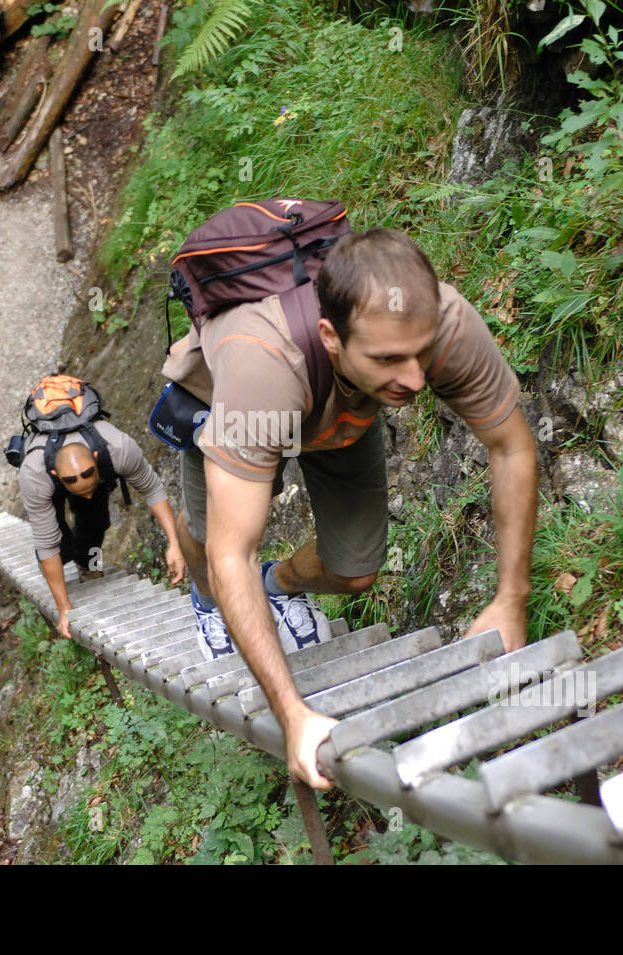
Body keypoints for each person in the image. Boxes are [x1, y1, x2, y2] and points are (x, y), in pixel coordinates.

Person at [160, 227, 538, 790]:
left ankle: (278, 585)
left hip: (342, 409)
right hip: (232, 401)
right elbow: (230, 550)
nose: (415, 379)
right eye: (390, 358)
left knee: (355, 569)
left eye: (422, 353)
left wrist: (512, 598)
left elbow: (511, 446)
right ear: (331, 336)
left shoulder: (444, 324)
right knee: (210, 544)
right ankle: (206, 602)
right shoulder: (261, 364)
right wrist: (294, 716)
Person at [19, 419, 186, 640]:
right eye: (82, 492)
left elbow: (153, 489)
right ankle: (66, 558)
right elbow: (46, 544)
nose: (87, 495)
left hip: (95, 470)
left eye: (89, 488)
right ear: (56, 474)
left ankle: (90, 565)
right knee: (58, 545)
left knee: (96, 523)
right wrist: (64, 608)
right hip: (48, 485)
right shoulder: (34, 476)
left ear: (96, 460)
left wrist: (175, 544)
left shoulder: (119, 449)